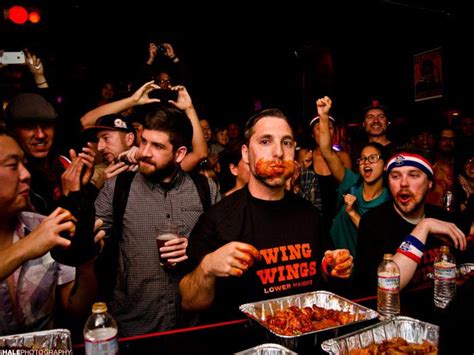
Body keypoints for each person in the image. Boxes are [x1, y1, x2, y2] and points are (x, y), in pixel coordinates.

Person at [179, 108, 353, 322]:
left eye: (287, 142)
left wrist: (334, 267)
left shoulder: (309, 214)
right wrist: (208, 267)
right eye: (265, 141)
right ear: (245, 154)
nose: (278, 152)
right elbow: (189, 301)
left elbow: (323, 276)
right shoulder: (217, 218)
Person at [94, 104, 219, 336]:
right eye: (144, 142)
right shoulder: (118, 188)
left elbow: (221, 245)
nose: (145, 152)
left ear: (180, 154)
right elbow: (91, 243)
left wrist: (195, 249)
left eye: (158, 146)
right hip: (134, 327)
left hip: (192, 327)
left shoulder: (205, 189)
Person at [0, 129, 104, 335]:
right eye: (13, 166)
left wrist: (86, 264)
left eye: (25, 165)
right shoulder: (39, 235)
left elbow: (76, 310)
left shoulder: (46, 227)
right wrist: (26, 247)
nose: (26, 175)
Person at [353, 147, 471, 297]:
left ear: (429, 182)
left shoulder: (442, 217)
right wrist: (424, 227)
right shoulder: (373, 222)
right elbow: (387, 288)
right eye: (395, 176)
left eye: (413, 175)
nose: (403, 183)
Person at [317, 96, 390, 257]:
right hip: (332, 262)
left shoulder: (389, 198)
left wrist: (353, 213)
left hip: (363, 269)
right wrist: (323, 116)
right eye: (363, 159)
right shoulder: (351, 181)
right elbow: (327, 152)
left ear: (385, 166)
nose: (366, 163)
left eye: (373, 158)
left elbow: (380, 240)